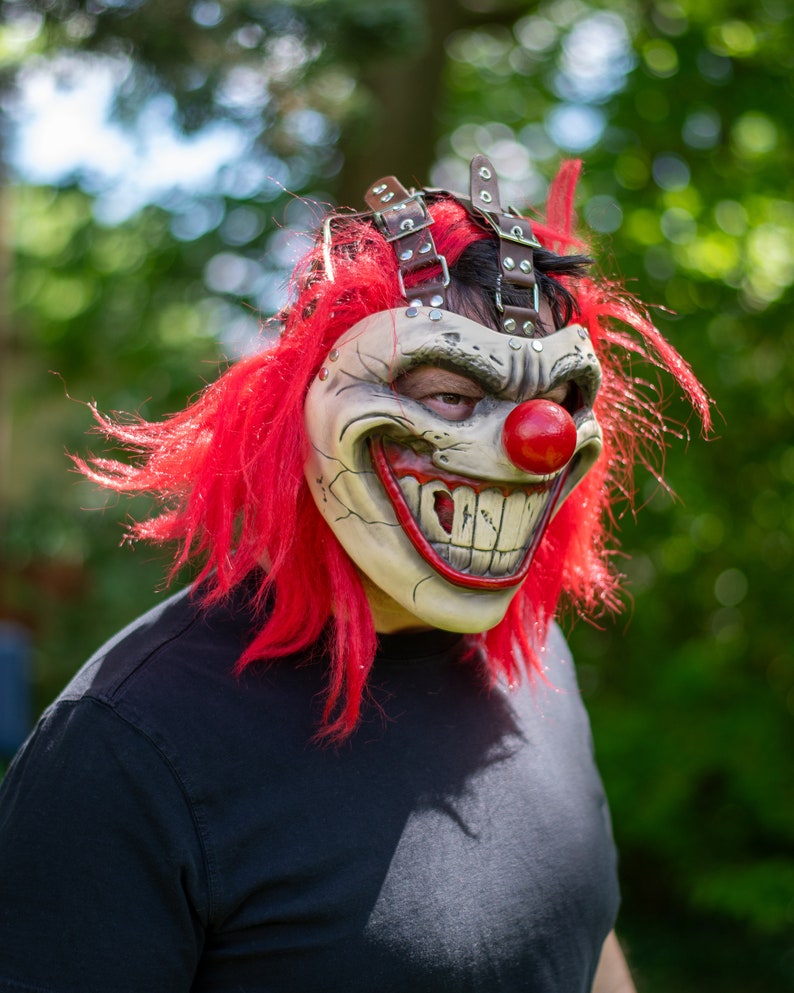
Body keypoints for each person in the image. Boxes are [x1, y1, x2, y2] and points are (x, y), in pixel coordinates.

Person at [0, 153, 709, 992]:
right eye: (449, 390)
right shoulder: (124, 748)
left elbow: (584, 946)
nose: (536, 441)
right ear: (296, 406)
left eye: (559, 396)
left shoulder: (537, 657)